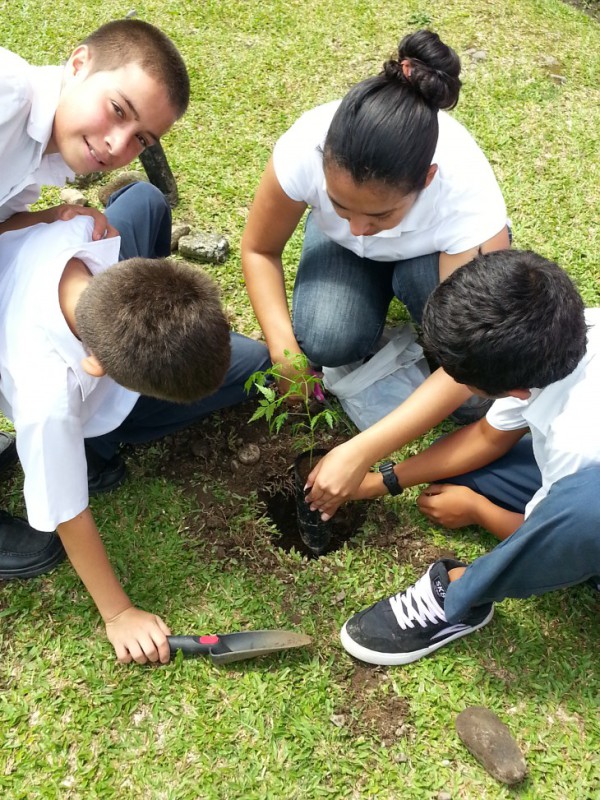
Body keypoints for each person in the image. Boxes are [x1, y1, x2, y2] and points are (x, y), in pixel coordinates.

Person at [242, 28, 510, 516]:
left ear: (425, 181)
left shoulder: (464, 193)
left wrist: (364, 452)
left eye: (381, 216)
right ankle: (374, 303)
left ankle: (416, 304)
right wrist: (286, 356)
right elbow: (260, 250)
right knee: (324, 339)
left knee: (475, 394)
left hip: (431, 260)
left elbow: (474, 351)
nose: (362, 230)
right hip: (339, 256)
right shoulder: (305, 146)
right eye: (341, 206)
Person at [0, 214, 270, 662]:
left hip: (40, 284)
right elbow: (67, 511)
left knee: (254, 360)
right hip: (31, 358)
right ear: (97, 368)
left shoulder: (83, 231)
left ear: (134, 267)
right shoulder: (48, 401)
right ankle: (96, 454)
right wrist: (119, 613)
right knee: (82, 447)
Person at [337, 249, 600, 665]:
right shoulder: (574, 333)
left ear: (514, 391)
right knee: (465, 479)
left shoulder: (577, 445)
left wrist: (479, 512)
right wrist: (385, 479)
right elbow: (487, 436)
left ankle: (459, 596)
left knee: (585, 517)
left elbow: (546, 531)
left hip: (592, 501)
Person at [0, 19, 189, 556]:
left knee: (141, 207)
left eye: (141, 140)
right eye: (118, 111)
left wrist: (45, 217)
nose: (117, 145)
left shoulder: (50, 146)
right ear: (78, 63)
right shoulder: (7, 95)